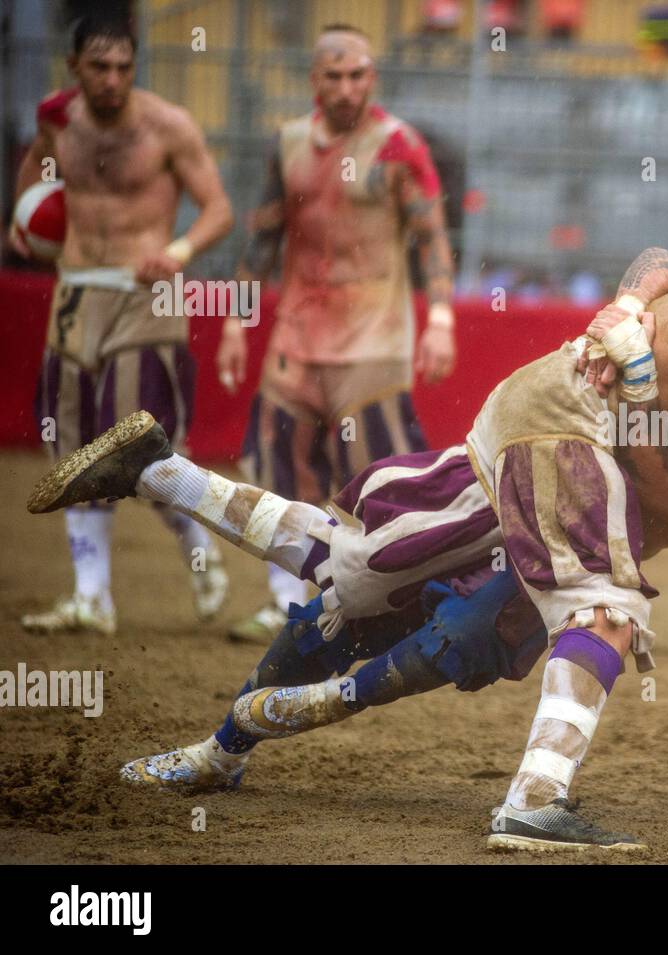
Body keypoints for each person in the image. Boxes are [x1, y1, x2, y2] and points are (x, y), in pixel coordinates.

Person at [30, 240, 668, 850]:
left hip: (529, 427)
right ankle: (532, 801)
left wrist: (626, 317)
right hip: (556, 459)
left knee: (350, 566)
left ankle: (163, 478)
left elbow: (666, 282)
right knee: (593, 610)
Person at [109, 363, 668, 846]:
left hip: (542, 545)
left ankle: (167, 479)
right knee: (347, 580)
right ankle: (232, 737)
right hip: (497, 496)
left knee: (420, 620)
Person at [218, 23, 457, 642]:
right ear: (314, 80)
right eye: (335, 76)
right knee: (275, 463)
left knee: (379, 477)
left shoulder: (400, 145)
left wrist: (439, 320)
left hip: (373, 340)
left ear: (371, 79)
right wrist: (236, 323)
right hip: (297, 336)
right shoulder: (289, 142)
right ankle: (286, 603)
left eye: (358, 76)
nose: (347, 88)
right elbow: (264, 235)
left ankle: (403, 601)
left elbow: (432, 237)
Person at [9, 15, 233, 636]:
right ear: (74, 66)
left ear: (136, 67)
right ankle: (92, 597)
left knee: (136, 447)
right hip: (77, 290)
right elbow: (34, 175)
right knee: (75, 448)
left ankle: (200, 546)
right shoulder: (57, 118)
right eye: (99, 67)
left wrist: (180, 254)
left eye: (123, 67)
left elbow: (218, 207)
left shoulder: (168, 125)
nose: (112, 80)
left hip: (147, 294)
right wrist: (24, 224)